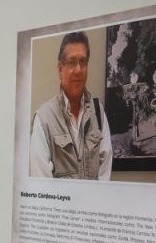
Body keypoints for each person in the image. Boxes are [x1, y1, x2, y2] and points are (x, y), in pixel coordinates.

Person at [29, 31, 113, 179]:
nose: (78, 70)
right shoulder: (43, 119)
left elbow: (104, 176)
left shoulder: (98, 113)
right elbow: (41, 184)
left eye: (83, 62)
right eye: (72, 62)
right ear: (60, 69)